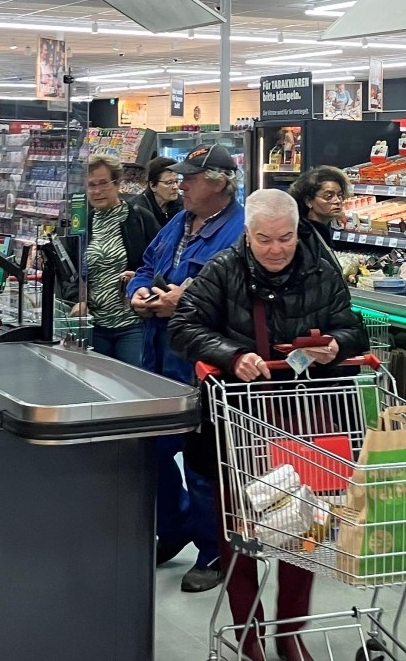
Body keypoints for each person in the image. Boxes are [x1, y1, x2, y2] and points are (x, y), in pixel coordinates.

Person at [169, 188, 367, 661]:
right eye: (264, 239)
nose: (277, 249)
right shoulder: (221, 270)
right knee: (242, 533)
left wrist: (335, 346)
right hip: (238, 421)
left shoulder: (322, 269)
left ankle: (289, 633)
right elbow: (184, 327)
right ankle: (249, 634)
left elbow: (352, 325)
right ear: (247, 234)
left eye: (286, 238)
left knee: (305, 527)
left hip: (307, 417)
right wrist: (232, 356)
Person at [127, 143, 246, 594]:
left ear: (218, 184)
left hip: (202, 364)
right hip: (157, 356)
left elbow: (234, 299)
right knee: (154, 452)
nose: (182, 184)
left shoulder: (239, 230)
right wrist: (138, 292)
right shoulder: (179, 222)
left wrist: (184, 302)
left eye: (191, 178)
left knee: (203, 463)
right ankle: (174, 527)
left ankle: (213, 549)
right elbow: (144, 267)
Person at [77, 155, 159, 363]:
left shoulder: (140, 218)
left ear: (117, 183)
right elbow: (71, 271)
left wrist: (141, 279)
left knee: (135, 386)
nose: (97, 191)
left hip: (132, 324)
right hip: (94, 325)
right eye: (91, 185)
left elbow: (160, 263)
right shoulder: (82, 225)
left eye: (103, 183)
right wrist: (78, 299)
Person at [286, 165, 350, 251]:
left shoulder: (322, 229)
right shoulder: (304, 237)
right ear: (308, 201)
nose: (337, 201)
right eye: (328, 196)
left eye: (340, 195)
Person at [131, 157, 182, 227]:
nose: (175, 187)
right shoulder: (136, 210)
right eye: (169, 183)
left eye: (176, 181)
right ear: (153, 186)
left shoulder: (183, 205)